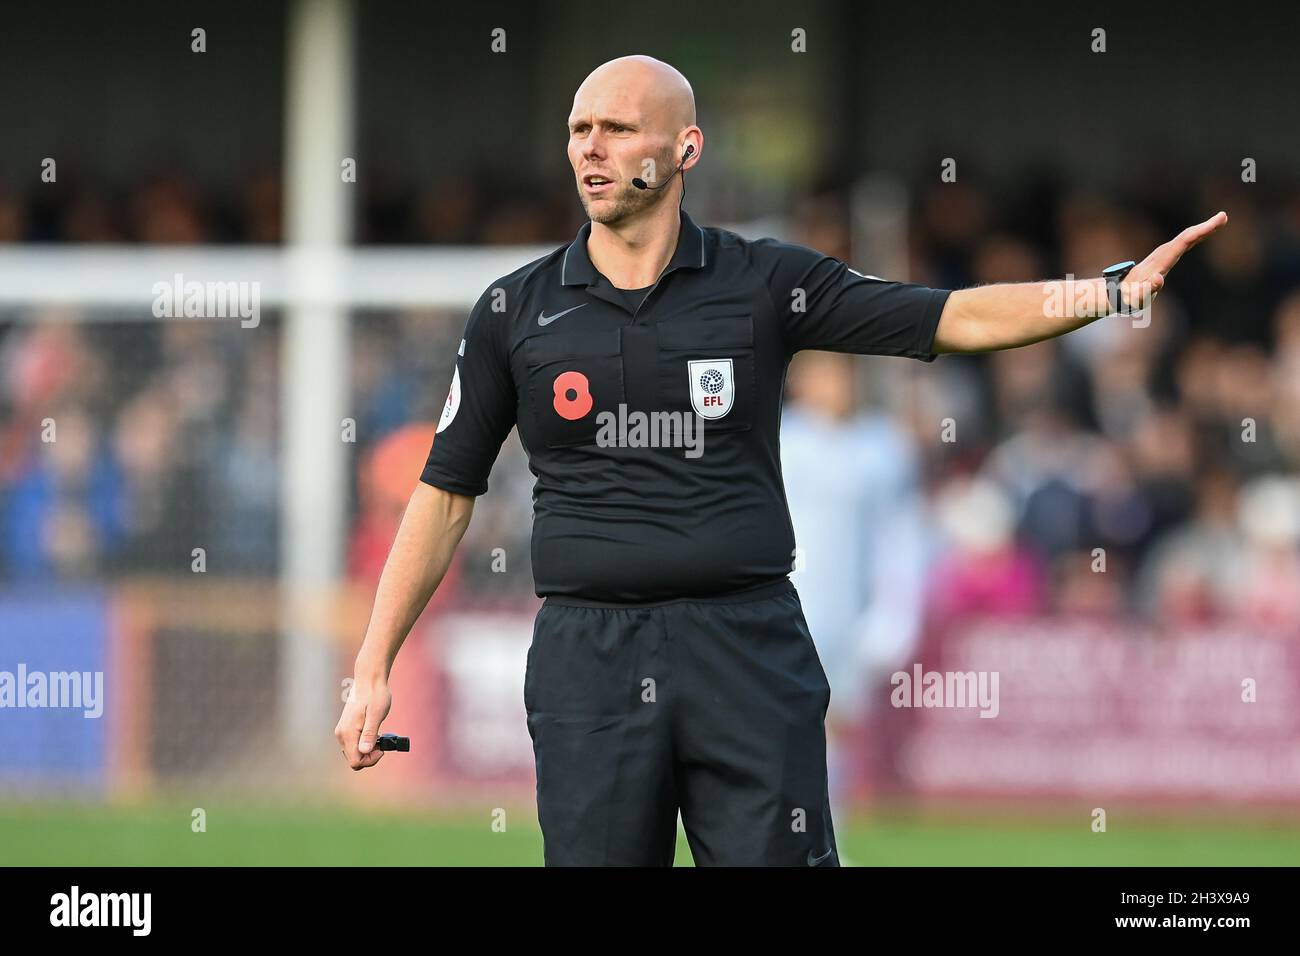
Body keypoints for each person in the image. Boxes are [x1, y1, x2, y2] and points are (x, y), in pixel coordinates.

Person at [334, 54, 1227, 866]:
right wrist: (374, 665)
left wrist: (1109, 290)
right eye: (577, 130)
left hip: (747, 650)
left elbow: (951, 316)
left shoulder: (764, 284)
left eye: (616, 128)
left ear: (685, 147)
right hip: (588, 657)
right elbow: (446, 492)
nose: (589, 149)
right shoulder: (513, 311)